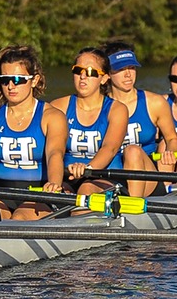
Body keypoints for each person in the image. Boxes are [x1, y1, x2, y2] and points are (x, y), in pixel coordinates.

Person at [0, 45, 68, 220]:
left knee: (18, 219)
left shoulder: (52, 116)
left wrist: (54, 183)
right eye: (5, 80)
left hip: (39, 193)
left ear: (34, 80)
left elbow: (55, 154)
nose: (11, 86)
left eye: (18, 79)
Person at [48, 45, 129, 194]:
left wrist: (87, 169)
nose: (83, 77)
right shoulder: (57, 107)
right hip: (67, 178)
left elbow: (109, 148)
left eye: (91, 72)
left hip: (105, 177)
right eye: (78, 71)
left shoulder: (117, 110)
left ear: (104, 78)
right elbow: (54, 151)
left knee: (86, 189)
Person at [103, 40, 175, 198]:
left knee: (133, 151)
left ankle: (132, 211)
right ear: (107, 74)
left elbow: (172, 139)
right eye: (121, 69)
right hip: (111, 176)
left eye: (132, 68)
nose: (128, 74)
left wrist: (171, 152)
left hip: (148, 177)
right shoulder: (99, 105)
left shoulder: (155, 103)